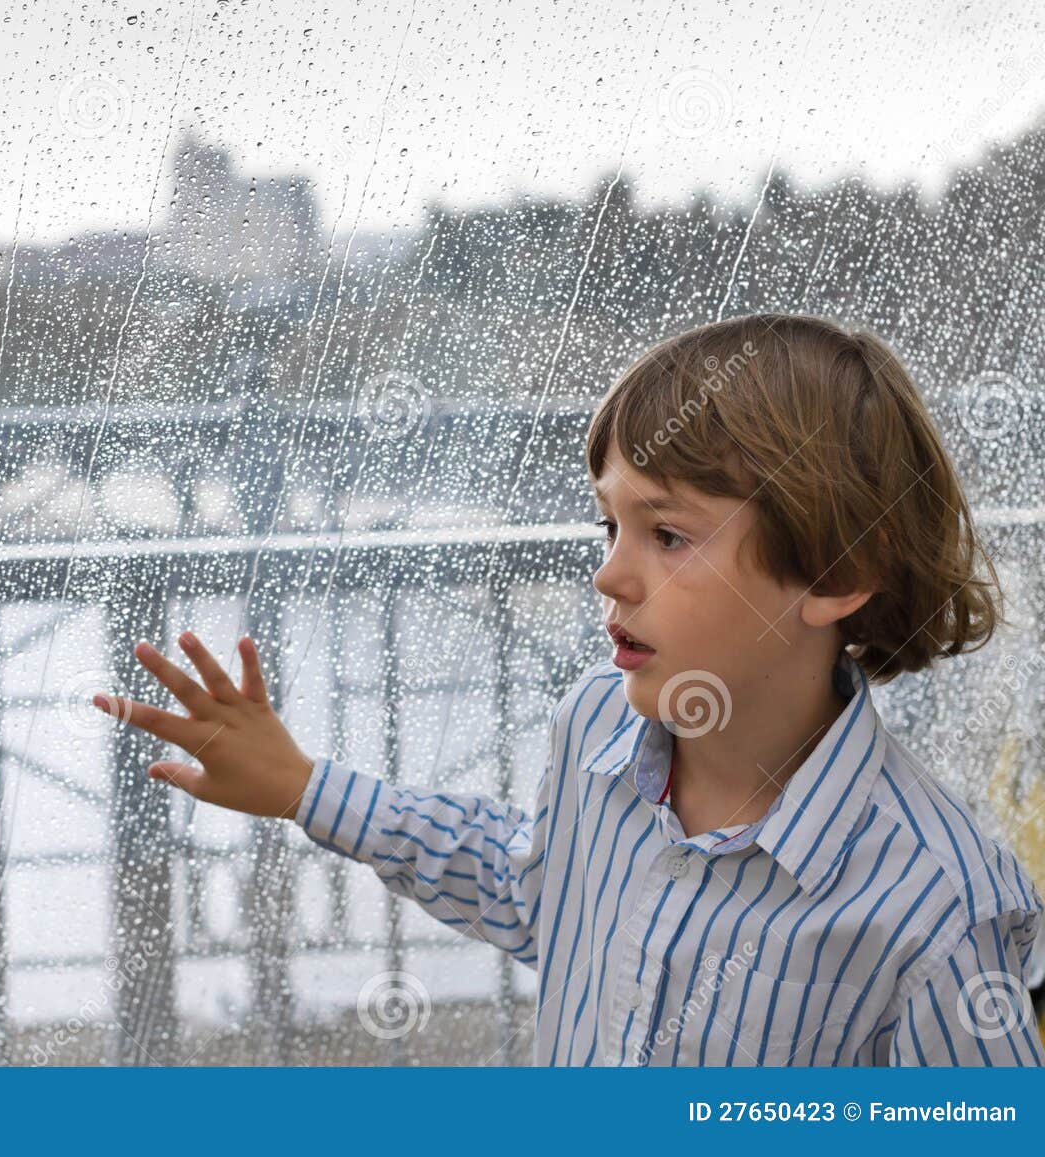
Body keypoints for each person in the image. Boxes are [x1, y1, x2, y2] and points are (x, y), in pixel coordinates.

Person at [92, 312, 1044, 1066]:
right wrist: (305, 786)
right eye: (609, 527)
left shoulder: (941, 910)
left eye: (667, 535)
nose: (610, 576)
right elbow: (535, 890)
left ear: (837, 572)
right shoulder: (596, 721)